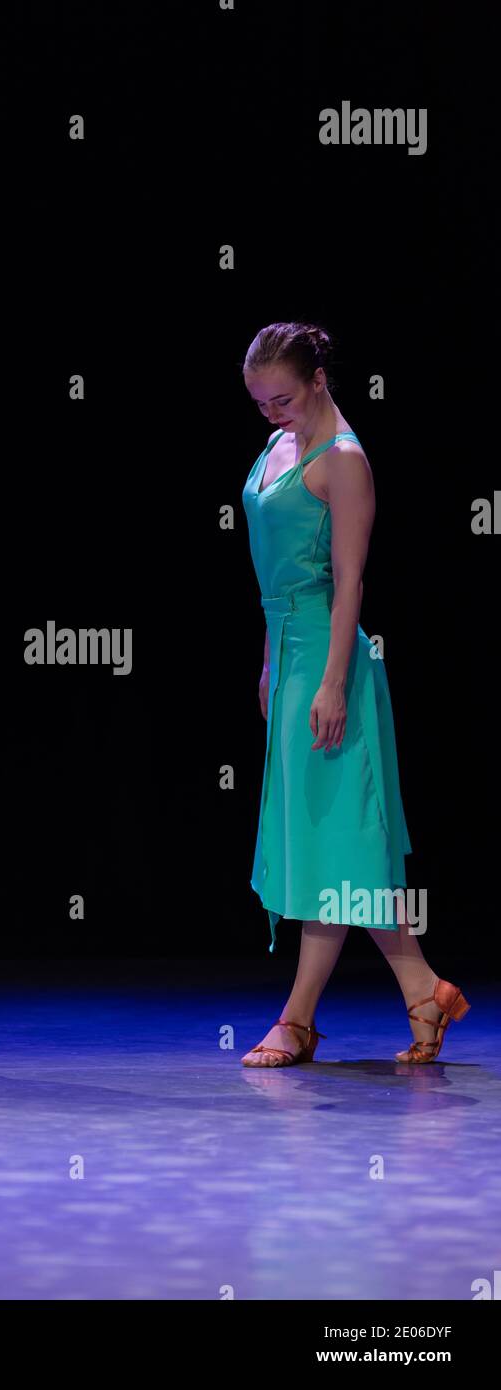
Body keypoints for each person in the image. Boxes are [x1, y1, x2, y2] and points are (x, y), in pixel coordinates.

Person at [238, 321, 470, 1067]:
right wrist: (272, 661)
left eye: (280, 398)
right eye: (259, 401)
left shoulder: (343, 460)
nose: (270, 413)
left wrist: (333, 682)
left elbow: (349, 584)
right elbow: (273, 578)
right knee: (330, 848)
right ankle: (422, 989)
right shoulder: (283, 445)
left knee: (336, 847)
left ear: (316, 381)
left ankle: (299, 1020)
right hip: (293, 655)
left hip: (331, 662)